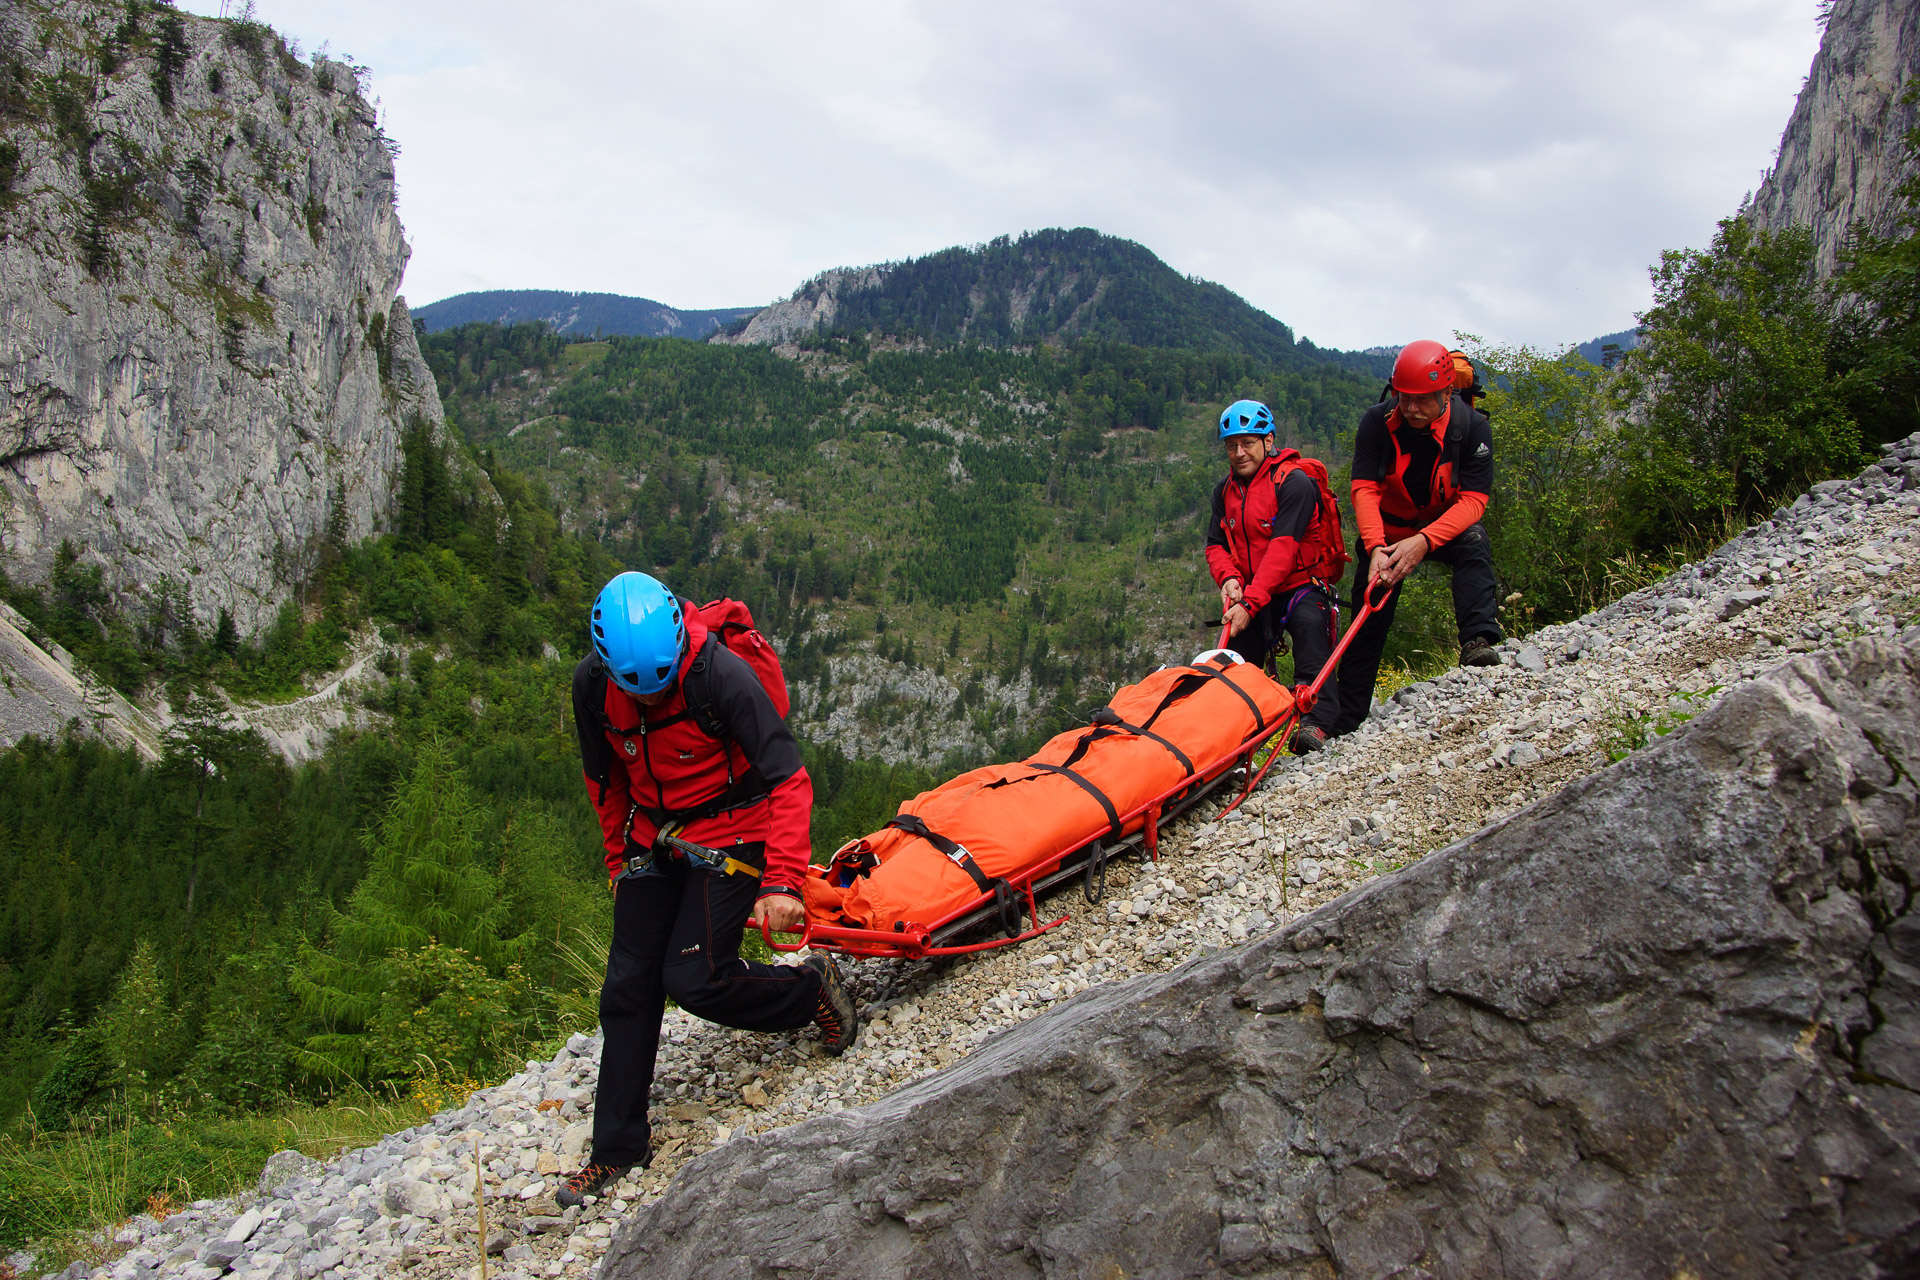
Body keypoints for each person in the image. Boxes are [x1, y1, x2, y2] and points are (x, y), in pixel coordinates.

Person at [560, 571, 858, 1207]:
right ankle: (617, 1148)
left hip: (733, 830)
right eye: (634, 693)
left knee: (693, 977)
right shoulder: (591, 687)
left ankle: (808, 989)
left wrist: (780, 882)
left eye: (659, 688)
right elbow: (606, 782)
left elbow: (788, 778)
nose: (648, 702)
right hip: (653, 836)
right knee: (630, 982)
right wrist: (619, 863)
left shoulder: (719, 675)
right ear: (606, 666)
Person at [1333, 340, 1502, 738]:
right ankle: (1345, 720)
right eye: (1404, 398)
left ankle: (1478, 640)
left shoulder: (1473, 427)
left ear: (1447, 392)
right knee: (1368, 613)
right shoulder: (1377, 422)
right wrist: (1375, 547)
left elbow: (1474, 501)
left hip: (1442, 528)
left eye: (1422, 400)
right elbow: (1364, 488)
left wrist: (1424, 541)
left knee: (1474, 542)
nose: (1410, 409)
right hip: (1388, 534)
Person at [1205, 399, 1344, 754]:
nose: (1238, 453)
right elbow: (1216, 545)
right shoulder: (1224, 491)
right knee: (1234, 661)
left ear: (1268, 441)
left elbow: (1282, 551)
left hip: (1298, 585)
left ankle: (1317, 721)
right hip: (1253, 591)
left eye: (1247, 443)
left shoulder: (1294, 483)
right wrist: (1228, 578)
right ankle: (1236, 738)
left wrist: (1249, 604)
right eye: (1231, 445)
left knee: (1310, 624)